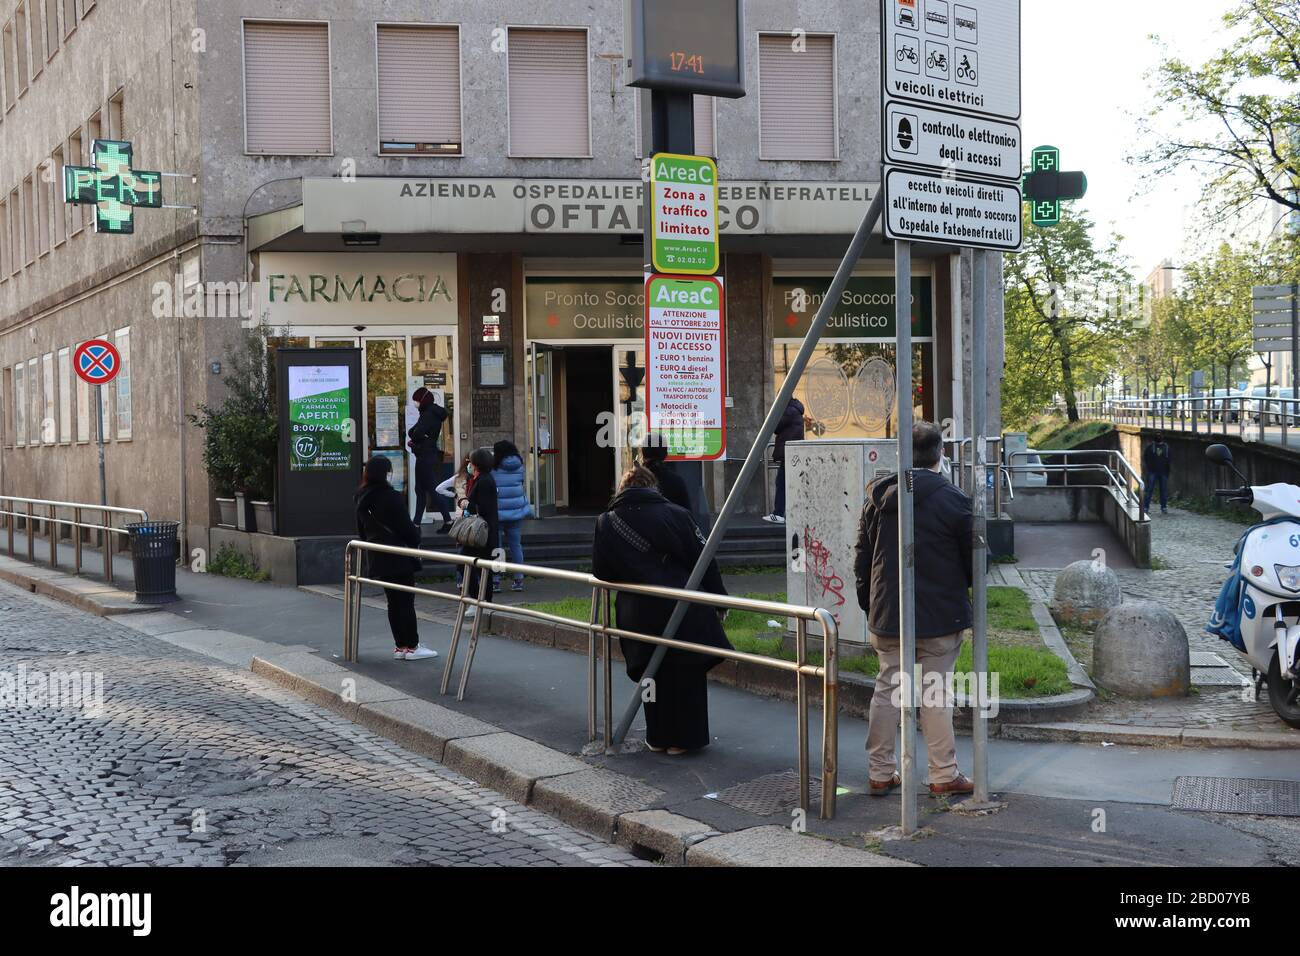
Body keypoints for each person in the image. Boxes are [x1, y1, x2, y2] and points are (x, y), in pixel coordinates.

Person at [853, 421, 974, 796]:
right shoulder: (953, 500)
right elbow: (974, 563)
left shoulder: (878, 498)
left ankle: (880, 771)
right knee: (936, 693)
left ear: (903, 455)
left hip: (889, 613)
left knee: (887, 690)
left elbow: (862, 557)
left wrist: (871, 604)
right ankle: (943, 774)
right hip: (940, 617)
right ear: (940, 453)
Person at [592, 465, 731, 754]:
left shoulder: (606, 521)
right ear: (653, 486)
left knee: (650, 672)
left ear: (621, 489)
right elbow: (704, 560)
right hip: (681, 605)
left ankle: (657, 736)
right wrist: (719, 599)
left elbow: (602, 571)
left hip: (636, 610)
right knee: (685, 672)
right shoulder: (677, 515)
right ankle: (685, 739)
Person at [354, 456, 438, 662]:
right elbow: (406, 528)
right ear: (386, 473)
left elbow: (361, 531)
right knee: (406, 601)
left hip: (377, 555)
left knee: (393, 601)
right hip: (399, 555)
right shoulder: (391, 496)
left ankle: (400, 645)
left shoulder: (361, 496)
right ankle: (412, 646)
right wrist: (416, 537)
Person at [461, 447, 499, 619]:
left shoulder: (484, 481)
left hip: (482, 532)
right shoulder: (480, 478)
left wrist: (465, 504)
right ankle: (481, 601)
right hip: (480, 531)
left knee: (472, 565)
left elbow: (482, 507)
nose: (468, 464)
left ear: (477, 464)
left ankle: (481, 601)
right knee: (475, 565)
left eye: (471, 461)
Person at [408, 387, 450, 533]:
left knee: (432, 490)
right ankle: (416, 523)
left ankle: (448, 521)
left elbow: (415, 433)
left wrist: (416, 435)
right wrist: (416, 434)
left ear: (423, 400)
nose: (416, 403)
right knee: (420, 489)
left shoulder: (428, 414)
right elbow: (413, 432)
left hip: (425, 457)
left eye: (417, 400)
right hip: (427, 455)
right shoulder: (431, 413)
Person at [492, 440, 533, 592]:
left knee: (498, 547)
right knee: (516, 546)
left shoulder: (493, 467)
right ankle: (519, 580)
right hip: (516, 512)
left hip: (497, 513)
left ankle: (496, 581)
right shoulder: (519, 465)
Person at [763, 397, 806, 524]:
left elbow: (775, 426)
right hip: (791, 452)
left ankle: (778, 514)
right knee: (786, 483)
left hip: (788, 452)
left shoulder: (789, 411)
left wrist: (776, 410)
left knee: (781, 483)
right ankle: (788, 513)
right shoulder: (795, 409)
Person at [640, 437, 691, 511]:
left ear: (643, 454)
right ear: (665, 455)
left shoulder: (632, 480)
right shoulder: (676, 481)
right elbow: (687, 516)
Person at [1142, 432, 1171, 515]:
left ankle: (1164, 507)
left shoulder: (1166, 447)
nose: (1159, 436)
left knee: (1163, 490)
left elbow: (1169, 459)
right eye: (1157, 435)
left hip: (1163, 472)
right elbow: (1146, 457)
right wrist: (1149, 467)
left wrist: (1167, 470)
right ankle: (1146, 507)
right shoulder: (1150, 447)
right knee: (1149, 490)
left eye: (1160, 435)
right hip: (1152, 471)